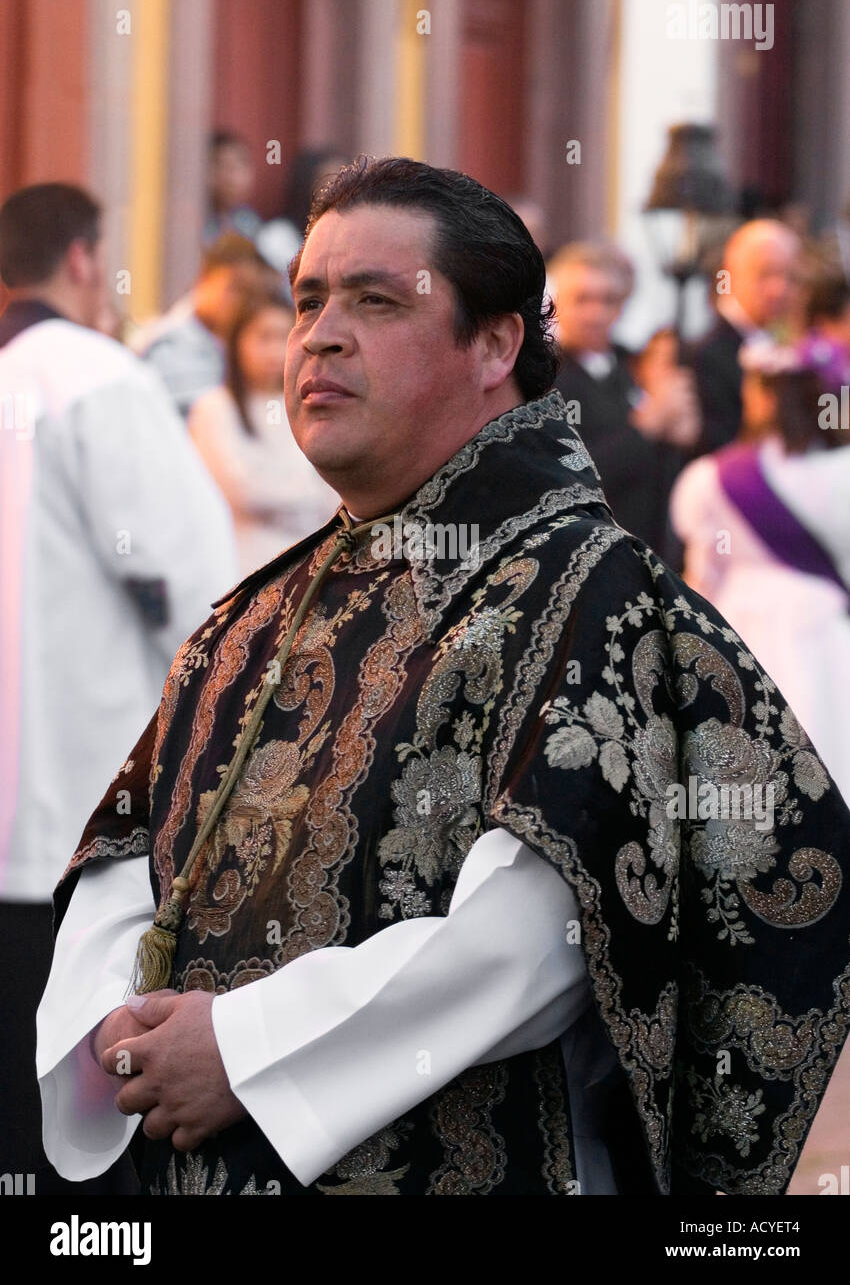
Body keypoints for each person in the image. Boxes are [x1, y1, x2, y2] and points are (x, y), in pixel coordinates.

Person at [37, 158, 850, 1198]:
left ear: (496, 343)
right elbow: (125, 847)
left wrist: (241, 1048)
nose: (321, 333)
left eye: (375, 300)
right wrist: (120, 1027)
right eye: (308, 300)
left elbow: (543, 934)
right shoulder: (254, 613)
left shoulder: (589, 593)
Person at [0, 182, 239, 1192]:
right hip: (80, 818)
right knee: (71, 1138)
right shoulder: (88, 375)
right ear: (88, 259)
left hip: (31, 811)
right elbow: (196, 591)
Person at [671, 331, 850, 803]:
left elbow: (700, 583)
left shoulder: (710, 478)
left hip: (737, 630)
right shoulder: (841, 474)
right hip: (824, 628)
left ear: (761, 394)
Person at [550, 242, 699, 553]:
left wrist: (684, 430)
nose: (596, 313)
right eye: (582, 299)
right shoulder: (546, 378)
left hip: (658, 542)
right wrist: (645, 427)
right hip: (590, 547)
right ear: (558, 301)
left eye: (609, 300)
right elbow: (567, 473)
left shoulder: (635, 364)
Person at [188, 291, 339, 576]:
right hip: (240, 564)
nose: (273, 351)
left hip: (307, 564)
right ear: (237, 343)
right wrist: (305, 489)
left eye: (282, 337)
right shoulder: (215, 407)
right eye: (263, 337)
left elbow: (331, 495)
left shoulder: (309, 403)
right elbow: (242, 489)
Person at [683, 220, 801, 456]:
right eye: (765, 273)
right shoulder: (705, 353)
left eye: (789, 276)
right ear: (730, 275)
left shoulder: (785, 343)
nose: (779, 288)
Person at [138, 233, 277, 418]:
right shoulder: (170, 344)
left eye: (250, 293)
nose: (240, 302)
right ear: (205, 277)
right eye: (234, 288)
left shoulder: (230, 340)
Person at [256, 146, 348, 285]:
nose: (338, 192)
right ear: (305, 186)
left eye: (344, 183)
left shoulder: (351, 237)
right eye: (328, 183)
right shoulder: (277, 237)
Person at [204, 130, 262, 247]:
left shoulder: (249, 222)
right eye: (226, 168)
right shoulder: (194, 221)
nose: (235, 180)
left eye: (242, 167)